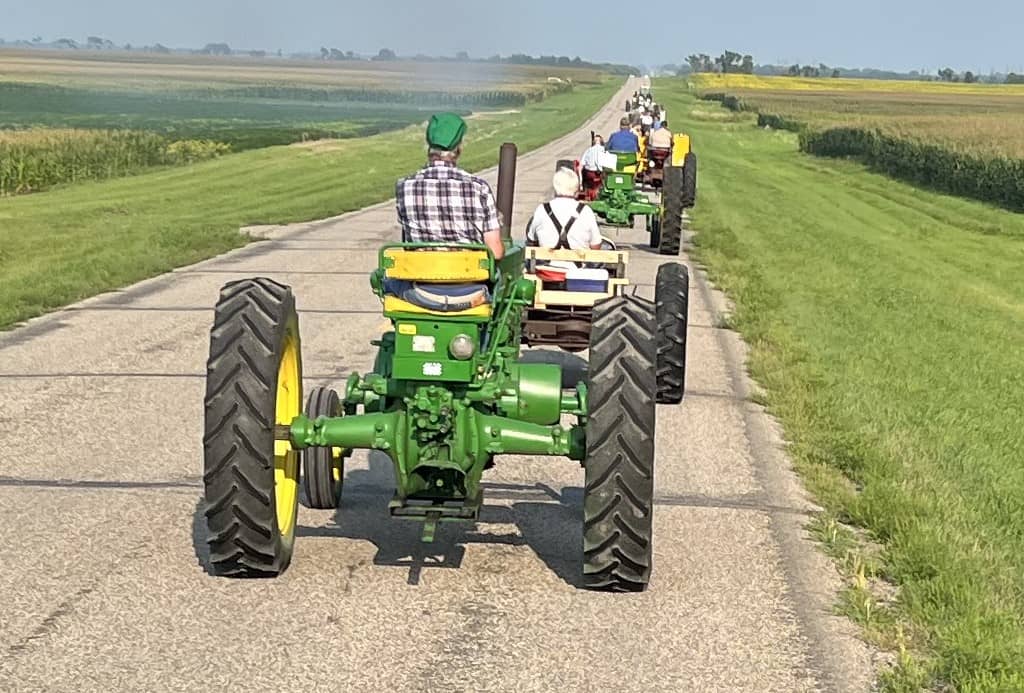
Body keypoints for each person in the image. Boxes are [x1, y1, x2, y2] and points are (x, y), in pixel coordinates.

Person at [396, 112, 504, 260]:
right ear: (458, 148)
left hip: (420, 271)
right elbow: (495, 252)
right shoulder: (479, 188)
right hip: (468, 272)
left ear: (429, 147)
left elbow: (407, 240)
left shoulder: (404, 187)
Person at [526, 168, 603, 250]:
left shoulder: (542, 210)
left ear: (555, 186)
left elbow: (531, 239)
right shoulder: (586, 211)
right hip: (578, 258)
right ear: (576, 188)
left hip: (546, 258)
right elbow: (596, 245)